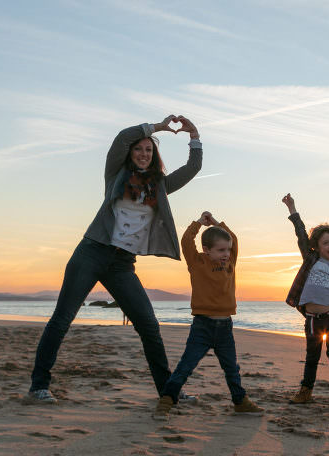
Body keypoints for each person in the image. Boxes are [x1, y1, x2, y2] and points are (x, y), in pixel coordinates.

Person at [25, 115, 203, 404]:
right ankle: (38, 386)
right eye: (139, 149)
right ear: (130, 153)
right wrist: (156, 127)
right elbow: (122, 137)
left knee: (148, 325)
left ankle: (168, 391)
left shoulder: (160, 186)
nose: (144, 154)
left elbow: (193, 167)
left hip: (122, 264)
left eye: (149, 150)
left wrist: (194, 135)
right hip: (92, 252)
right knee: (62, 319)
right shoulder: (115, 175)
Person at [153, 211, 264, 418]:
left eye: (228, 250)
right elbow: (186, 241)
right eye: (221, 250)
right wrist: (198, 223)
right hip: (202, 327)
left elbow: (235, 240)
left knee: (232, 368)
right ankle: (167, 400)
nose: (226, 254)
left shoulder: (230, 263)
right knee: (186, 366)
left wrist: (216, 223)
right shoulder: (198, 263)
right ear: (206, 250)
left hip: (225, 328)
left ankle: (240, 402)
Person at [282, 193, 329, 410]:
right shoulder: (311, 259)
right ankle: (305, 392)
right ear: (316, 246)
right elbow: (300, 234)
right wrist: (292, 209)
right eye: (326, 242)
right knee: (312, 357)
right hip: (313, 319)